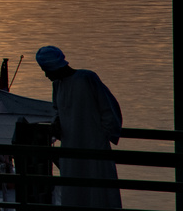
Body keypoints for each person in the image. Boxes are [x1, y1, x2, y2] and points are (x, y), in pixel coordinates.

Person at [37, 45, 123, 208]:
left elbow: (109, 109)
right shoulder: (58, 85)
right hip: (70, 147)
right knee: (74, 191)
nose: (47, 75)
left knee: (98, 191)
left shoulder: (86, 78)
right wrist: (56, 122)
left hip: (94, 146)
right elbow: (57, 109)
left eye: (47, 70)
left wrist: (101, 137)